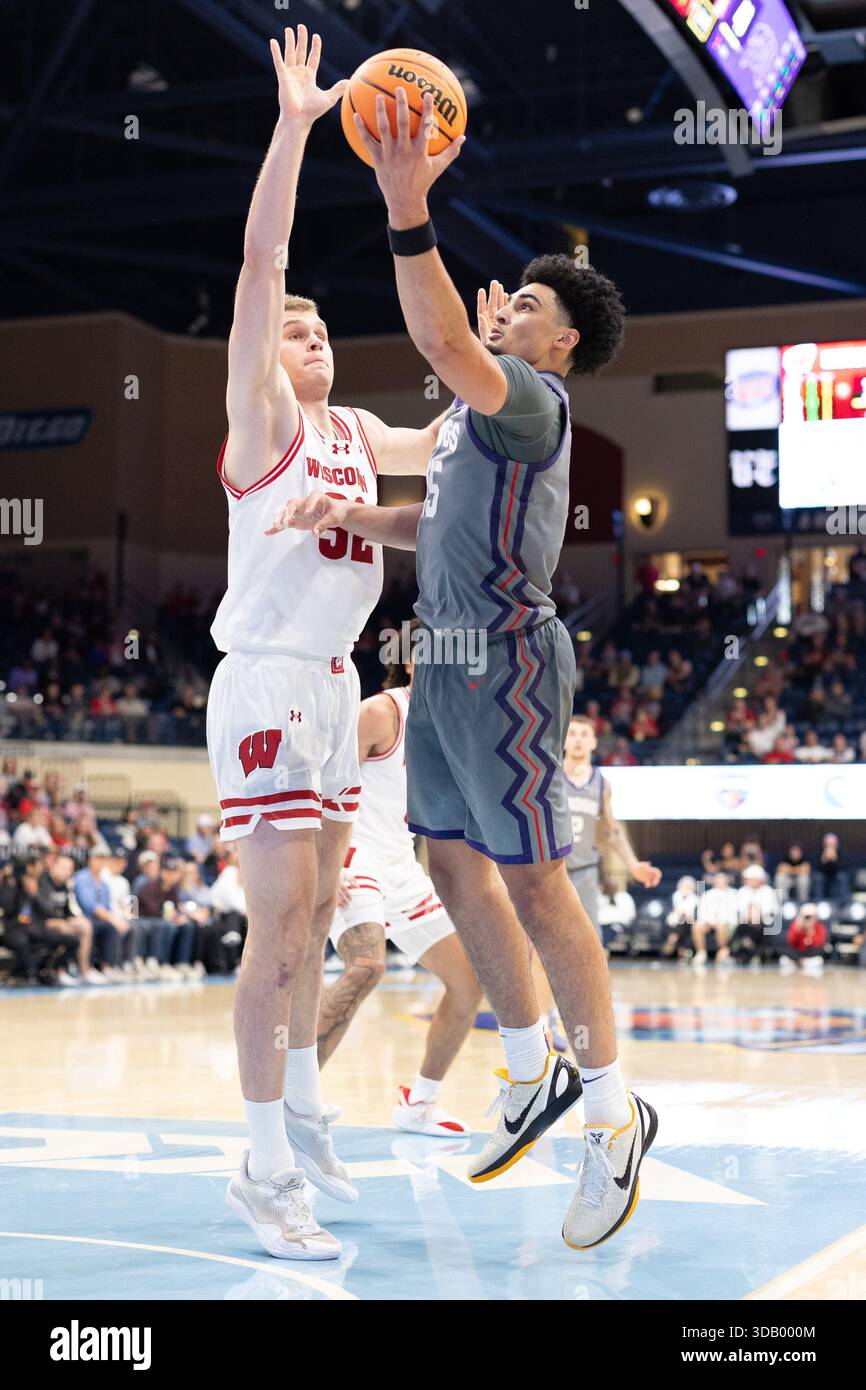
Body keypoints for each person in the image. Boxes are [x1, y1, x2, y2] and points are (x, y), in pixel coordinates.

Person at [272, 89, 655, 1250]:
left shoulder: (529, 399)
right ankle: (531, 1068)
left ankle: (610, 1113)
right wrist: (349, 508)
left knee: (538, 881)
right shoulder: (464, 428)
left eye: (526, 307)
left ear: (557, 343)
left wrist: (405, 204)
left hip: (506, 662)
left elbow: (440, 340)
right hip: (440, 659)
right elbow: (430, 520)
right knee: (446, 855)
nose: (505, 314)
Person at [211, 27, 445, 1262]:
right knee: (284, 930)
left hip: (332, 682)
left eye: (315, 332)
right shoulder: (264, 425)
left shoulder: (356, 427)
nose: (307, 338)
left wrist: (519, 362)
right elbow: (261, 258)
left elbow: (450, 438)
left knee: (314, 928)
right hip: (262, 678)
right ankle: (261, 1166)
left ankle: (301, 1119)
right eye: (290, 334)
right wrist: (298, 127)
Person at [318, 645, 479, 1138]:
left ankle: (418, 1103)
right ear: (410, 661)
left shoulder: (455, 724)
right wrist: (327, 865)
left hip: (401, 864)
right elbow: (323, 783)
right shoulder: (380, 711)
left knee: (470, 982)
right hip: (353, 853)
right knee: (367, 965)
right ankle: (291, 1096)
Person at [694, 873, 737, 967]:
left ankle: (723, 951)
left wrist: (721, 920)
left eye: (722, 880)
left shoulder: (734, 894)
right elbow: (701, 912)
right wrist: (710, 920)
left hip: (727, 921)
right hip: (709, 921)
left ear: (727, 881)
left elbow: (735, 912)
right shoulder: (707, 894)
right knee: (697, 926)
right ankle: (701, 953)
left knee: (721, 925)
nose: (720, 882)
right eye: (718, 880)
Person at [779, 904, 827, 976]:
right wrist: (798, 929)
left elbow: (818, 944)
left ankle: (802, 963)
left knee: (818, 959)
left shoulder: (819, 927)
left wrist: (810, 931)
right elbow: (791, 942)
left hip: (811, 956)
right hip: (796, 955)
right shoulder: (795, 926)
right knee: (784, 959)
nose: (808, 919)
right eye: (806, 916)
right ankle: (799, 962)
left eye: (810, 917)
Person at [662, 876, 699, 959]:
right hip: (672, 923)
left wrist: (685, 914)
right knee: (681, 923)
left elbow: (697, 915)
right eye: (685, 886)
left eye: (689, 887)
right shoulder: (673, 897)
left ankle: (672, 939)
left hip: (689, 923)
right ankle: (682, 950)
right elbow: (666, 912)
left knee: (684, 922)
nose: (686, 889)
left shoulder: (696, 900)